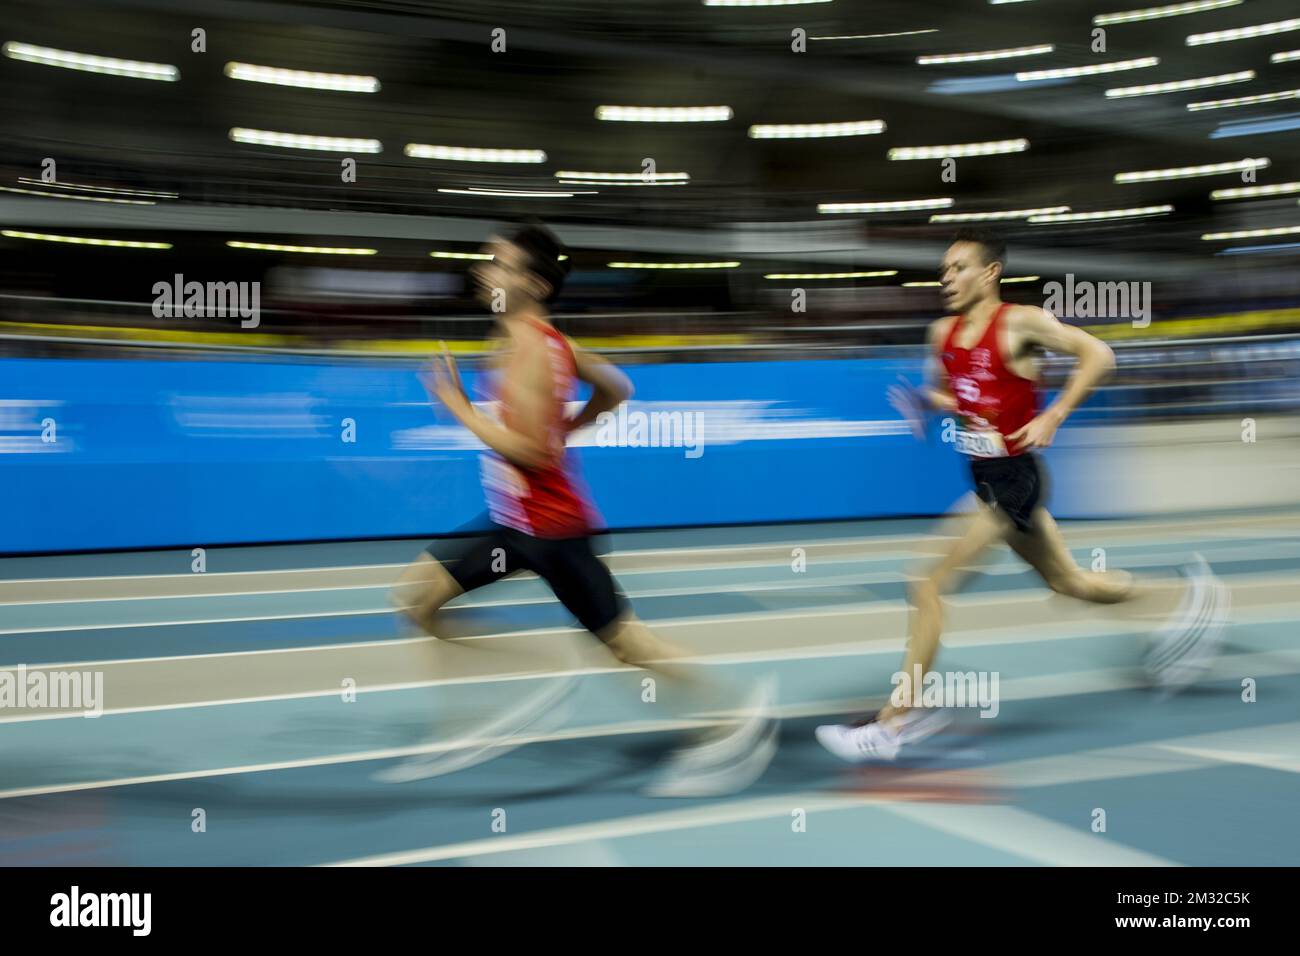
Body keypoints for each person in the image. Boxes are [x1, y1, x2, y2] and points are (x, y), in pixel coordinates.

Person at [388, 221, 776, 794]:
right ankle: (495, 703)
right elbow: (617, 386)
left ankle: (735, 714)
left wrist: (461, 409)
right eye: (486, 262)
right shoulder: (537, 343)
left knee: (627, 647)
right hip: (511, 522)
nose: (483, 271)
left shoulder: (534, 354)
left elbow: (531, 456)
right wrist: (572, 423)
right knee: (417, 601)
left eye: (499, 264)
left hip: (553, 533)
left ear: (535, 284)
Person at [815, 228, 1229, 763]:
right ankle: (1188, 601)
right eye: (943, 270)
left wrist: (1053, 413)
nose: (947, 278)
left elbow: (1099, 356)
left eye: (959, 268)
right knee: (1071, 583)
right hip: (986, 478)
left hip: (1015, 479)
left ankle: (897, 720)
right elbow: (960, 395)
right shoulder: (942, 334)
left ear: (990, 273)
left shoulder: (1021, 322)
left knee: (926, 583)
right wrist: (929, 401)